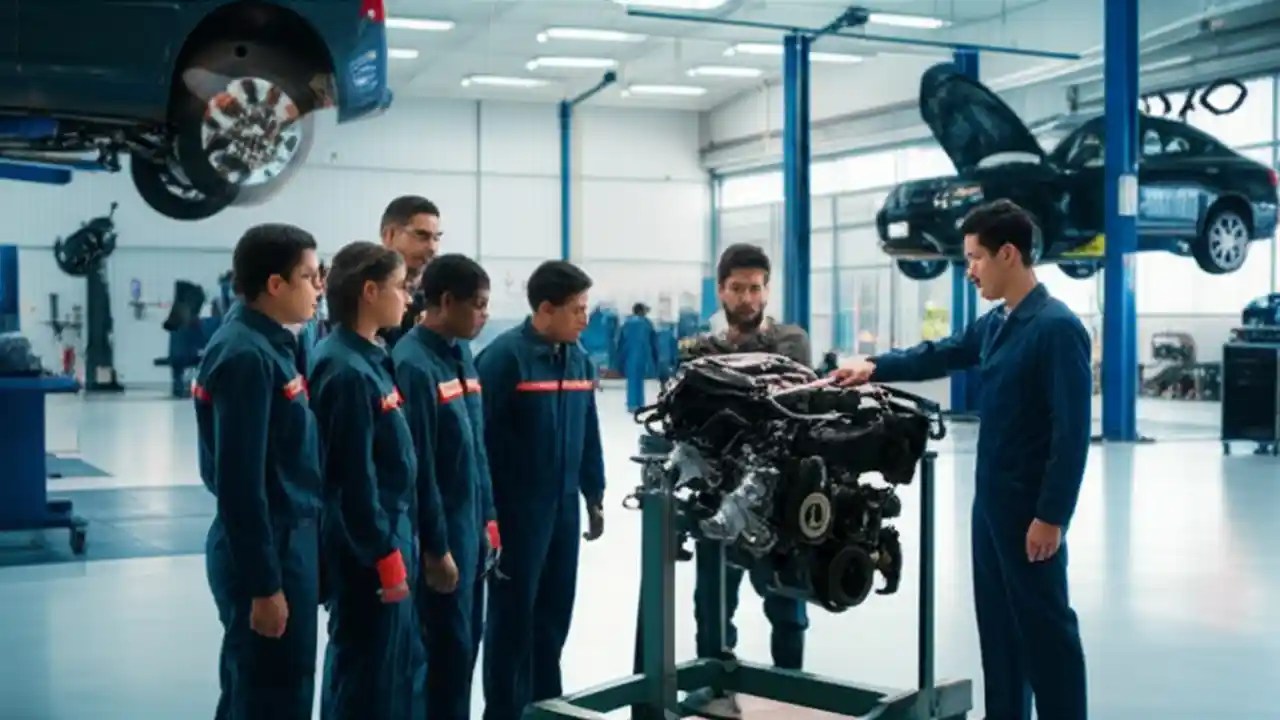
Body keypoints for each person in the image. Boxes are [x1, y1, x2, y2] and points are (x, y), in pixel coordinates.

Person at [830, 199, 1090, 720]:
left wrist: (1052, 517)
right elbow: (942, 353)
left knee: (1045, 633)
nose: (969, 270)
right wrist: (874, 367)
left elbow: (1072, 433)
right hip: (990, 506)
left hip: (1029, 512)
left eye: (975, 258)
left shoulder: (1056, 328)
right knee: (999, 631)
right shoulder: (998, 323)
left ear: (1008, 254)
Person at [192, 223, 324, 720]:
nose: (318, 290)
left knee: (286, 688)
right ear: (275, 285)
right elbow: (241, 485)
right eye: (309, 278)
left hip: (289, 539)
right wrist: (264, 586)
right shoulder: (245, 355)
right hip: (267, 543)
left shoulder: (272, 342)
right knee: (263, 696)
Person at [678, 242, 811, 718]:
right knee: (712, 596)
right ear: (721, 291)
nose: (748, 299)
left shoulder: (791, 340)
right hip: (716, 489)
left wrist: (719, 366)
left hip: (778, 493)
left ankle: (789, 687)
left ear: (767, 290)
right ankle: (715, 681)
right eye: (737, 289)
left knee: (785, 597)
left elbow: (788, 389)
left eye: (756, 288)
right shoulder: (701, 348)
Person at [477, 260, 607, 720]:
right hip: (517, 514)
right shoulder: (503, 359)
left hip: (563, 512)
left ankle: (548, 708)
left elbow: (589, 430)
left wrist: (594, 492)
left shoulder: (579, 359)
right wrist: (486, 513)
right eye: (577, 309)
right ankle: (505, 711)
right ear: (546, 309)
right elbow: (481, 440)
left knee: (553, 614)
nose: (585, 318)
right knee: (512, 619)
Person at [306, 241, 421, 719]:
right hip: (368, 548)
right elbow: (351, 479)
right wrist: (383, 554)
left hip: (391, 532)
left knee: (389, 669)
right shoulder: (344, 368)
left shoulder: (371, 355)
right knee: (364, 675)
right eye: (401, 288)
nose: (409, 299)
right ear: (370, 291)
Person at [391, 254, 497, 720]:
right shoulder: (413, 365)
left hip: (471, 532)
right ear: (446, 301)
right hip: (441, 540)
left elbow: (477, 451)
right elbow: (420, 469)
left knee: (463, 650)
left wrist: (489, 520)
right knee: (437, 658)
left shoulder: (463, 355)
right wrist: (436, 547)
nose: (484, 315)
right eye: (478, 305)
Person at [379, 195, 443, 346]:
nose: (432, 248)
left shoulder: (438, 297)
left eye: (436, 238)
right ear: (390, 235)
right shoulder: (363, 297)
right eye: (422, 236)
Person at [616, 302, 661, 412]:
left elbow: (619, 343)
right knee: (639, 381)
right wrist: (655, 360)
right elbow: (654, 343)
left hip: (628, 356)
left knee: (631, 380)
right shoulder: (647, 324)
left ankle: (631, 404)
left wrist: (619, 361)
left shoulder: (626, 324)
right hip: (643, 356)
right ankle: (639, 404)